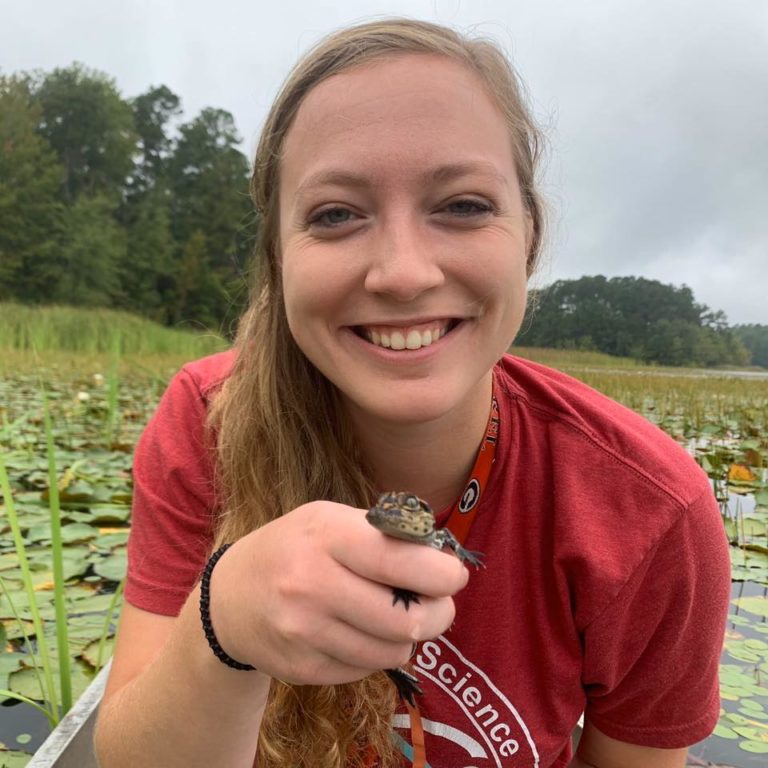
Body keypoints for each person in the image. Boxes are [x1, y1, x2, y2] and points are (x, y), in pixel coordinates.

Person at [93, 17, 730, 768]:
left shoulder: (651, 511)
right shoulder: (208, 421)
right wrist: (221, 622)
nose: (402, 272)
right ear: (277, 257)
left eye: (462, 204)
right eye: (335, 214)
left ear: (529, 233)